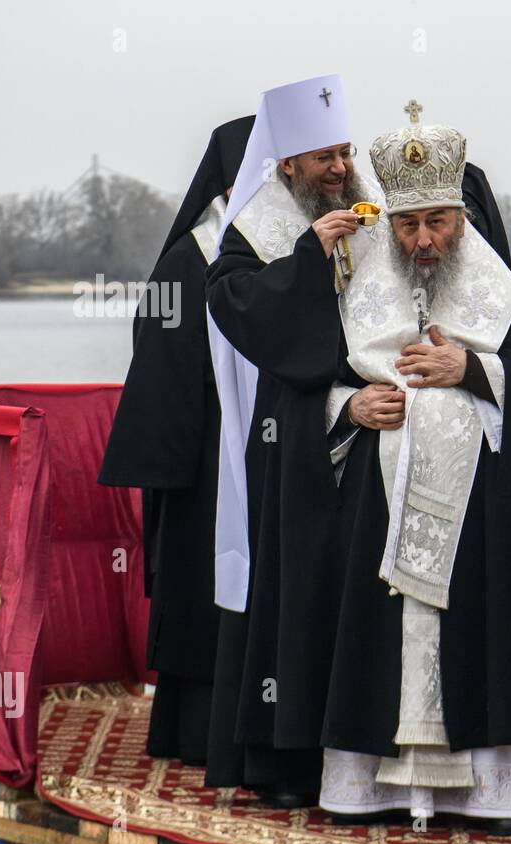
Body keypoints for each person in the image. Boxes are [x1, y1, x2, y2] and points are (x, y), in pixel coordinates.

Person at [316, 106, 511, 834]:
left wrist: (476, 368)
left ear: (462, 219)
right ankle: (368, 787)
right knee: (378, 642)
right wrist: (349, 406)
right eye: (407, 224)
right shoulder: (353, 291)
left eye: (437, 222)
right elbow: (304, 385)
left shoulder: (502, 298)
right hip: (376, 511)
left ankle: (492, 792)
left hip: (479, 525)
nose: (423, 240)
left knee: (483, 638)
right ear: (390, 225)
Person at [202, 75, 370, 805]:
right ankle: (287, 762)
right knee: (296, 591)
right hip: (293, 437)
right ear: (288, 163)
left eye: (344, 153)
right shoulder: (259, 226)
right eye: (323, 157)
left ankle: (359, 759)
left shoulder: (367, 211)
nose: (338, 168)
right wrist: (308, 257)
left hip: (367, 426)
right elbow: (232, 302)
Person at [98, 115, 252, 766]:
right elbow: (161, 364)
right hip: (203, 463)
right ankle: (192, 736)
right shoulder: (189, 259)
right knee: (200, 592)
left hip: (261, 450)